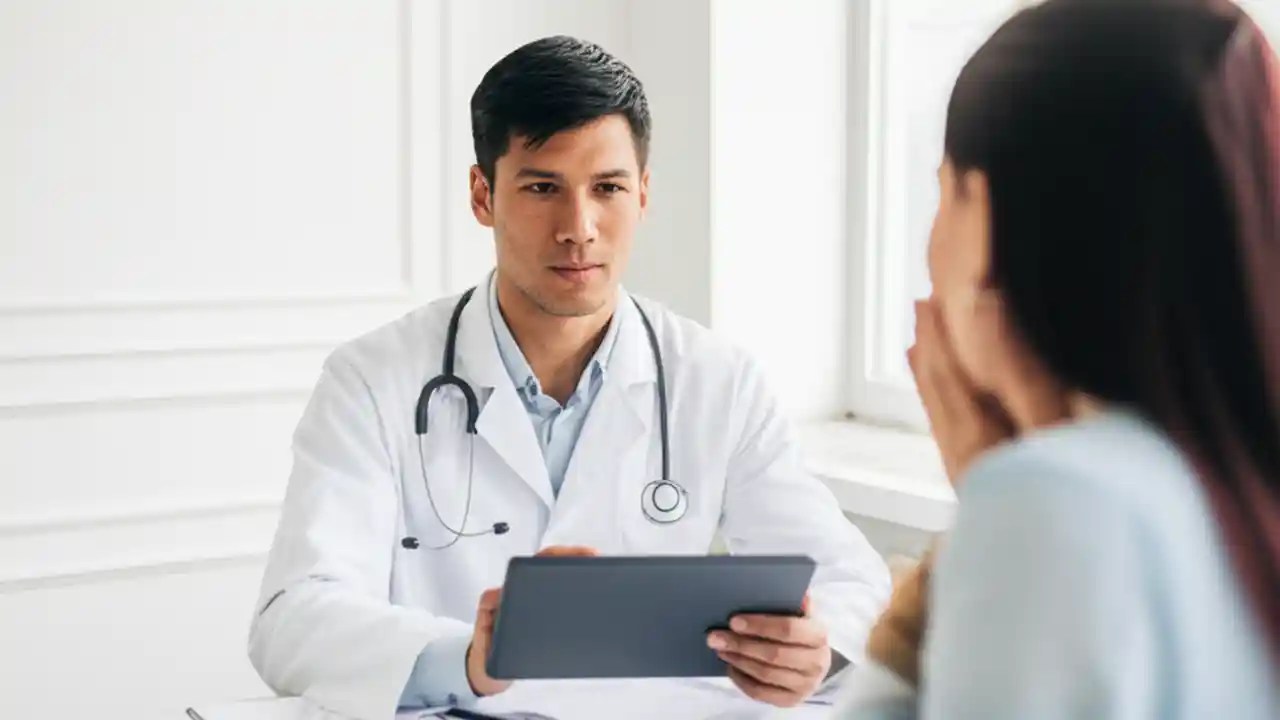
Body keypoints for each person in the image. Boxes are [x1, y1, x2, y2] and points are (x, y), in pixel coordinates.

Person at [248, 35, 890, 720]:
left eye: (607, 188)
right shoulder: (373, 380)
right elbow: (293, 619)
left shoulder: (715, 380)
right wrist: (473, 655)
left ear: (643, 193)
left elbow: (852, 580)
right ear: (482, 194)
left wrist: (815, 651)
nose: (578, 228)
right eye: (542, 187)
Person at [840, 0, 1280, 717]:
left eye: (942, 191)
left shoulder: (1052, 499)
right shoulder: (1226, 476)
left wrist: (979, 522)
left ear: (980, 221)